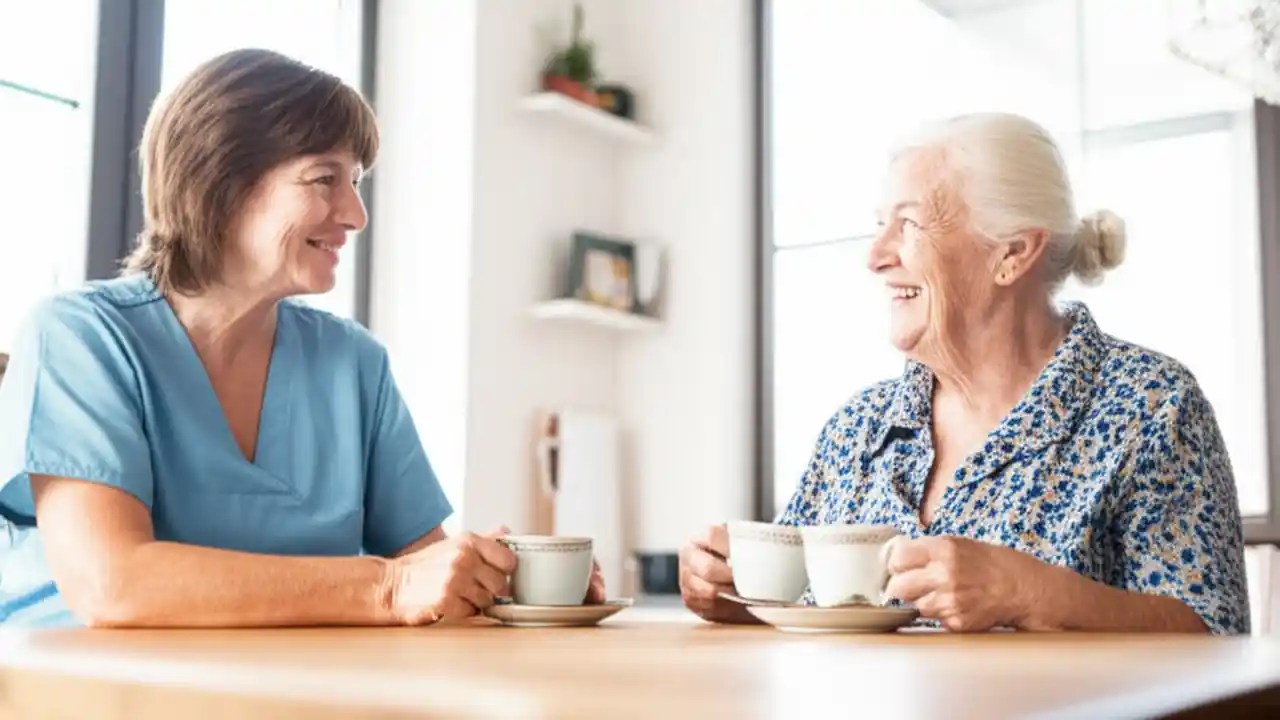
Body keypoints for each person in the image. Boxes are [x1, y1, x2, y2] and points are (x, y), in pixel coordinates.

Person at [0, 49, 603, 628]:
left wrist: (505, 582)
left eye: (355, 181)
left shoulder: (353, 364)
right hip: (83, 683)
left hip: (295, 684)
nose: (356, 214)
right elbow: (112, 585)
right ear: (221, 180)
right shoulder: (80, 336)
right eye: (324, 179)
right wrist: (386, 587)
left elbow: (424, 578)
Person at [680, 113, 1249, 634]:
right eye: (880, 224)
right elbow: (795, 608)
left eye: (909, 224)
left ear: (1012, 253)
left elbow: (1217, 638)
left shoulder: (1152, 406)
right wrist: (731, 591)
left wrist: (1028, 592)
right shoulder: (856, 429)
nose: (875, 256)